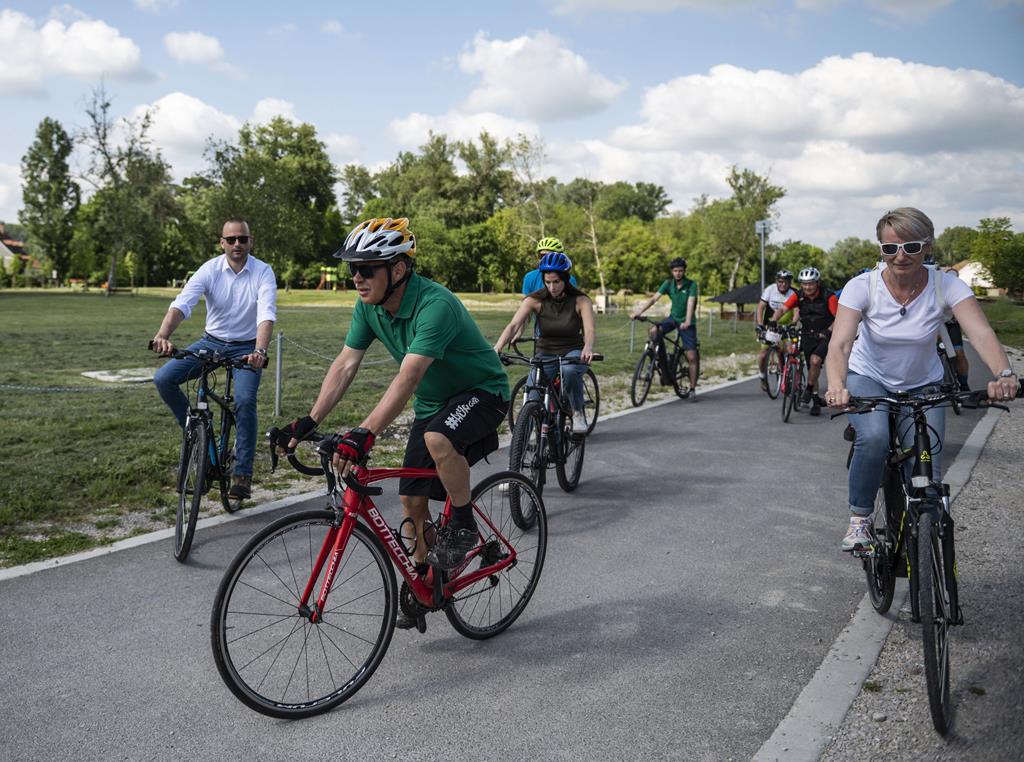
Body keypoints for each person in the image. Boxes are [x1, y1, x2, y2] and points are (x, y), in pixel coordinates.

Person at [281, 218, 510, 627]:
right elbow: (346, 364)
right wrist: (309, 419)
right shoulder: (369, 307)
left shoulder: (434, 305)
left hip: (482, 394)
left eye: (366, 268)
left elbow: (408, 376)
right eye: (353, 268)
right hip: (434, 403)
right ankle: (428, 584)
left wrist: (365, 433)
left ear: (398, 269)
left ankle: (463, 525)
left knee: (440, 439)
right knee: (411, 500)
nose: (356, 277)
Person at [824, 207, 1018, 551]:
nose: (900, 256)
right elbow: (839, 345)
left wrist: (1003, 373)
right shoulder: (862, 287)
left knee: (928, 462)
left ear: (927, 247)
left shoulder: (946, 285)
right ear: (880, 249)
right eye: (890, 248)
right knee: (874, 437)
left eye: (911, 247)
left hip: (923, 383)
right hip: (869, 376)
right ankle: (861, 519)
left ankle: (927, 538)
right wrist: (837, 386)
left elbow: (981, 332)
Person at [151, 218, 276, 502]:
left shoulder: (263, 272)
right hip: (211, 342)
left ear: (250, 241)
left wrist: (260, 351)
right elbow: (183, 303)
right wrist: (163, 335)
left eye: (242, 239)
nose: (236, 245)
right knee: (164, 379)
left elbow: (266, 314)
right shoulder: (209, 269)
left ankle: (242, 473)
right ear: (222, 243)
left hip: (247, 346)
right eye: (230, 240)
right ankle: (195, 432)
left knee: (244, 401)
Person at [494, 252, 596, 432]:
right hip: (545, 352)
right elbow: (513, 325)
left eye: (556, 281)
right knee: (533, 391)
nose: (552, 287)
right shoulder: (535, 300)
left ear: (565, 279)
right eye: (547, 282)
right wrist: (497, 348)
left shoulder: (581, 300)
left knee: (569, 370)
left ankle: (578, 412)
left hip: (572, 350)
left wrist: (587, 348)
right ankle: (535, 434)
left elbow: (589, 330)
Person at [630, 257, 701, 400]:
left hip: (687, 323)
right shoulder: (668, 284)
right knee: (654, 331)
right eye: (675, 271)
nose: (678, 273)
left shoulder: (691, 285)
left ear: (684, 271)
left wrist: (687, 321)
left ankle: (692, 389)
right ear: (672, 272)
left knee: (692, 356)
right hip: (673, 318)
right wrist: (639, 312)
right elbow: (653, 299)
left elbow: (690, 304)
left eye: (680, 270)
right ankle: (663, 364)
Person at [771, 266, 837, 416]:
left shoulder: (829, 296)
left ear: (817, 283)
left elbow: (839, 317)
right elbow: (782, 309)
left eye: (811, 283)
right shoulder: (798, 296)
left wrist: (828, 331)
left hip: (825, 336)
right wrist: (774, 321)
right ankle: (815, 401)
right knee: (812, 368)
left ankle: (808, 389)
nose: (807, 287)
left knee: (815, 361)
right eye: (804, 284)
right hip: (807, 335)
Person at [755, 270, 795, 391]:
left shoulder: (793, 293)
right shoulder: (770, 290)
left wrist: (793, 324)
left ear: (790, 283)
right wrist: (760, 325)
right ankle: (762, 376)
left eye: (786, 282)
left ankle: (786, 377)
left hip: (786, 325)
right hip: (771, 324)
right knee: (763, 355)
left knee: (786, 350)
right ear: (776, 282)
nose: (783, 284)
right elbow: (760, 307)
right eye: (780, 282)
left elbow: (797, 311)